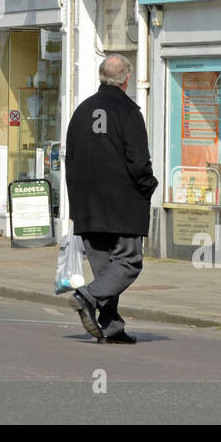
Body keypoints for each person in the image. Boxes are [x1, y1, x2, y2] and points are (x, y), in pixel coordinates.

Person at [65, 54, 158, 345]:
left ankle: (111, 325)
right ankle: (86, 296)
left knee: (106, 268)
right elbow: (139, 162)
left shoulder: (80, 112)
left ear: (101, 76)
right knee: (128, 261)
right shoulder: (129, 112)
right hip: (122, 205)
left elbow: (71, 161)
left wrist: (74, 203)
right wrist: (149, 186)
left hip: (88, 206)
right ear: (126, 79)